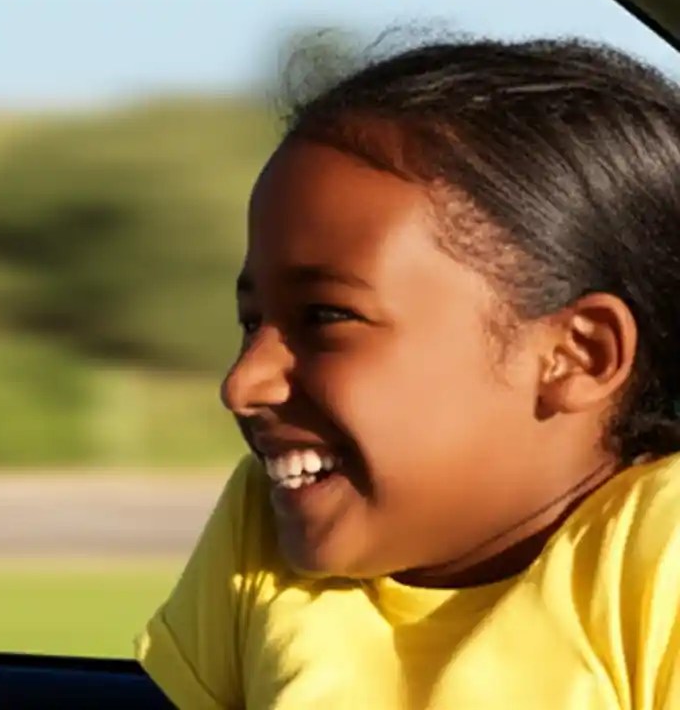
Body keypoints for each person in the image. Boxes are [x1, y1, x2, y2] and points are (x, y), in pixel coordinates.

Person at [136, 37, 680, 709]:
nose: (242, 383)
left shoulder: (660, 552)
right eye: (252, 322)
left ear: (578, 354)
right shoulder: (265, 529)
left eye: (326, 316)